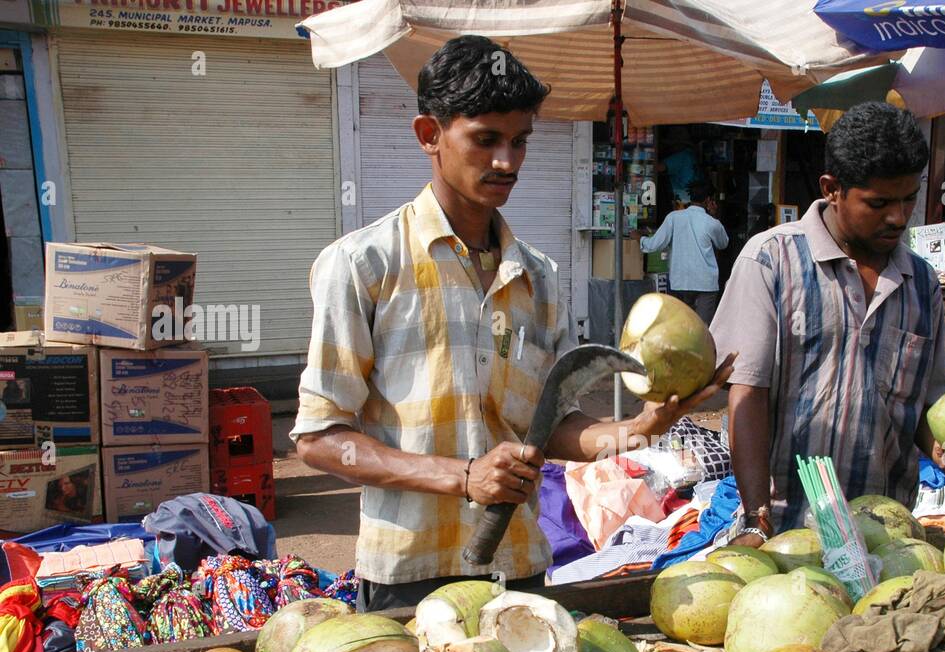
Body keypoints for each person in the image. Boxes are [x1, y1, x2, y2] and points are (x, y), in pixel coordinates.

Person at [292, 37, 731, 612]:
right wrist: (464, 475)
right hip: (410, 573)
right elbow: (320, 440)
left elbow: (551, 430)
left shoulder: (539, 278)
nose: (507, 162)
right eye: (486, 140)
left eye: (520, 140)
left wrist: (647, 426)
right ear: (430, 134)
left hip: (519, 570)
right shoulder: (363, 265)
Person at [711, 102, 945, 546]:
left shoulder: (921, 282)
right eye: (879, 203)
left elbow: (925, 405)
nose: (899, 217)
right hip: (789, 531)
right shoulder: (771, 260)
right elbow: (748, 393)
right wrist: (753, 516)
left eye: (909, 199)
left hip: (885, 532)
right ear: (833, 188)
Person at [638, 180, 730, 324]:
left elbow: (654, 245)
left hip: (679, 283)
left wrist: (641, 239)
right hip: (705, 284)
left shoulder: (674, 217)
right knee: (703, 329)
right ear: (708, 200)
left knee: (680, 327)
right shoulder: (711, 222)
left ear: (690, 199)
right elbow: (723, 243)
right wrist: (714, 216)